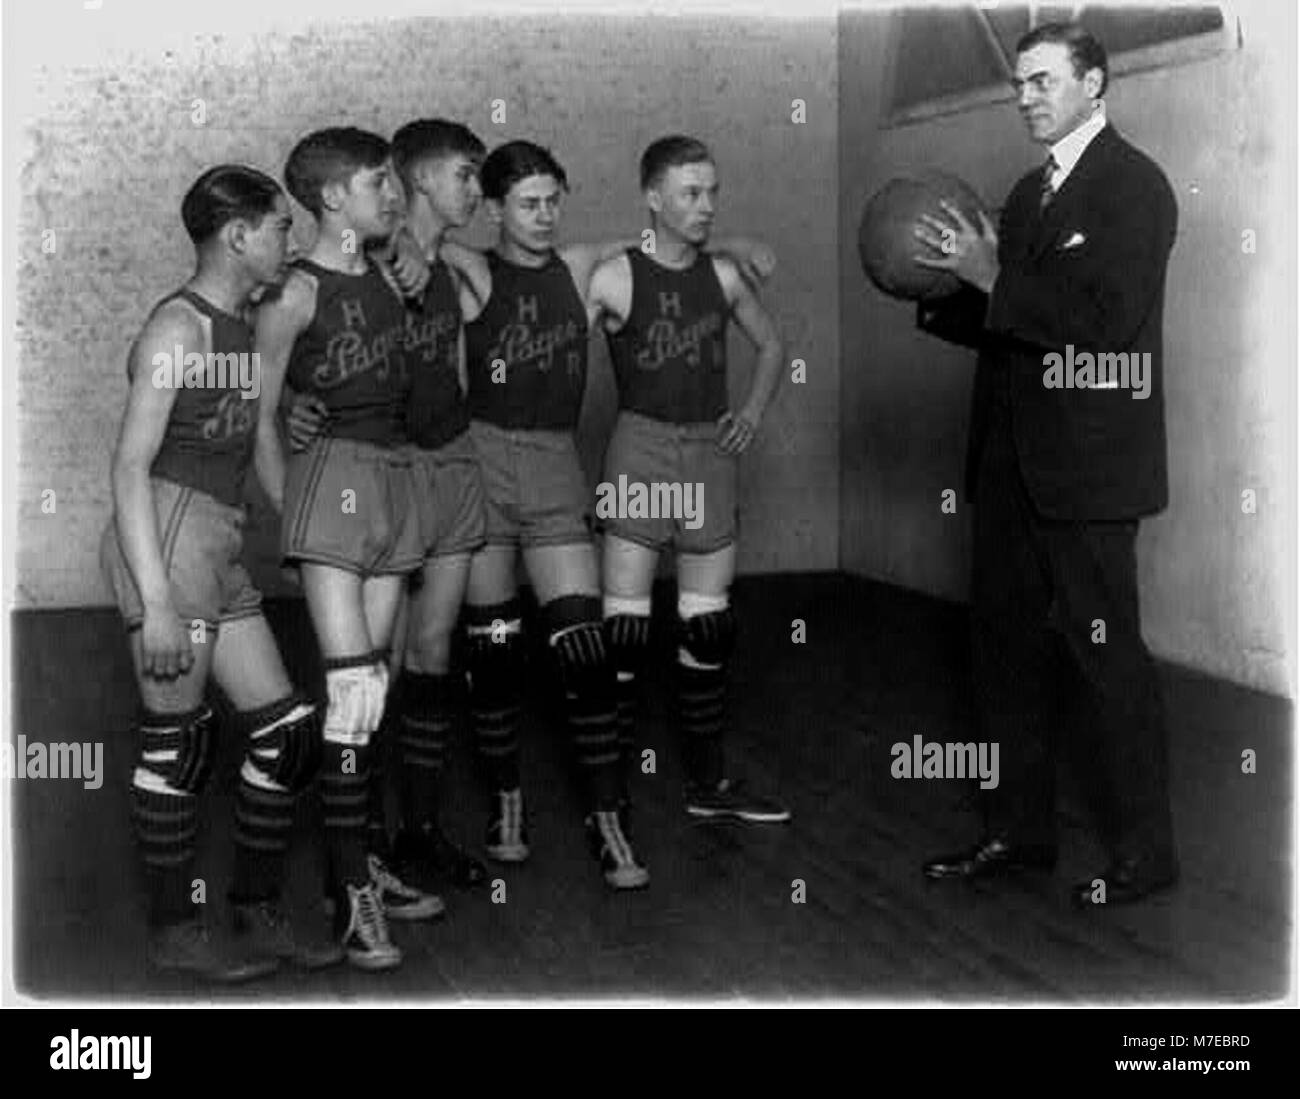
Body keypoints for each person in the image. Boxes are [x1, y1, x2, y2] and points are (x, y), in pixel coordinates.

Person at [912, 22, 1178, 905]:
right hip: (1009, 468)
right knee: (1004, 656)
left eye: (1043, 82)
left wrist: (992, 280)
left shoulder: (1136, 189)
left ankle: (1147, 851)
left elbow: (1103, 319)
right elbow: (1010, 324)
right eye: (1019, 84)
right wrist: (932, 290)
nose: (1025, 97)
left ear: (1095, 84)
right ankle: (1017, 832)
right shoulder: (1027, 195)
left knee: (1106, 658)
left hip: (1091, 472)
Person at [101, 164, 342, 981]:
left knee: (285, 734)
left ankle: (256, 909)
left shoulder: (249, 318)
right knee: (180, 745)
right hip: (166, 539)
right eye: (280, 226)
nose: (292, 240)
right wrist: (158, 603)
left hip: (218, 538)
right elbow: (130, 469)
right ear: (238, 236)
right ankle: (175, 929)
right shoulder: (181, 329)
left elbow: (370, 257)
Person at [254, 127, 444, 971]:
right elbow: (261, 413)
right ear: (333, 198)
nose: (392, 196)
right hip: (332, 489)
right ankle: (349, 898)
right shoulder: (295, 291)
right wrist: (289, 509)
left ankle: (359, 864)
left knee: (382, 687)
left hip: (397, 479)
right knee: (354, 693)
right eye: (377, 184)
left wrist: (406, 244)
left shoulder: (396, 270)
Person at [588, 135, 790, 826]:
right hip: (640, 449)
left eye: (713, 193)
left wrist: (753, 413)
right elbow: (550, 305)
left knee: (707, 630)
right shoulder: (614, 276)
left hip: (708, 453)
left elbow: (773, 345)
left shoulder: (726, 278)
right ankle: (608, 792)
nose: (705, 206)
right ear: (652, 197)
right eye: (690, 194)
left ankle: (709, 783)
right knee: (623, 630)